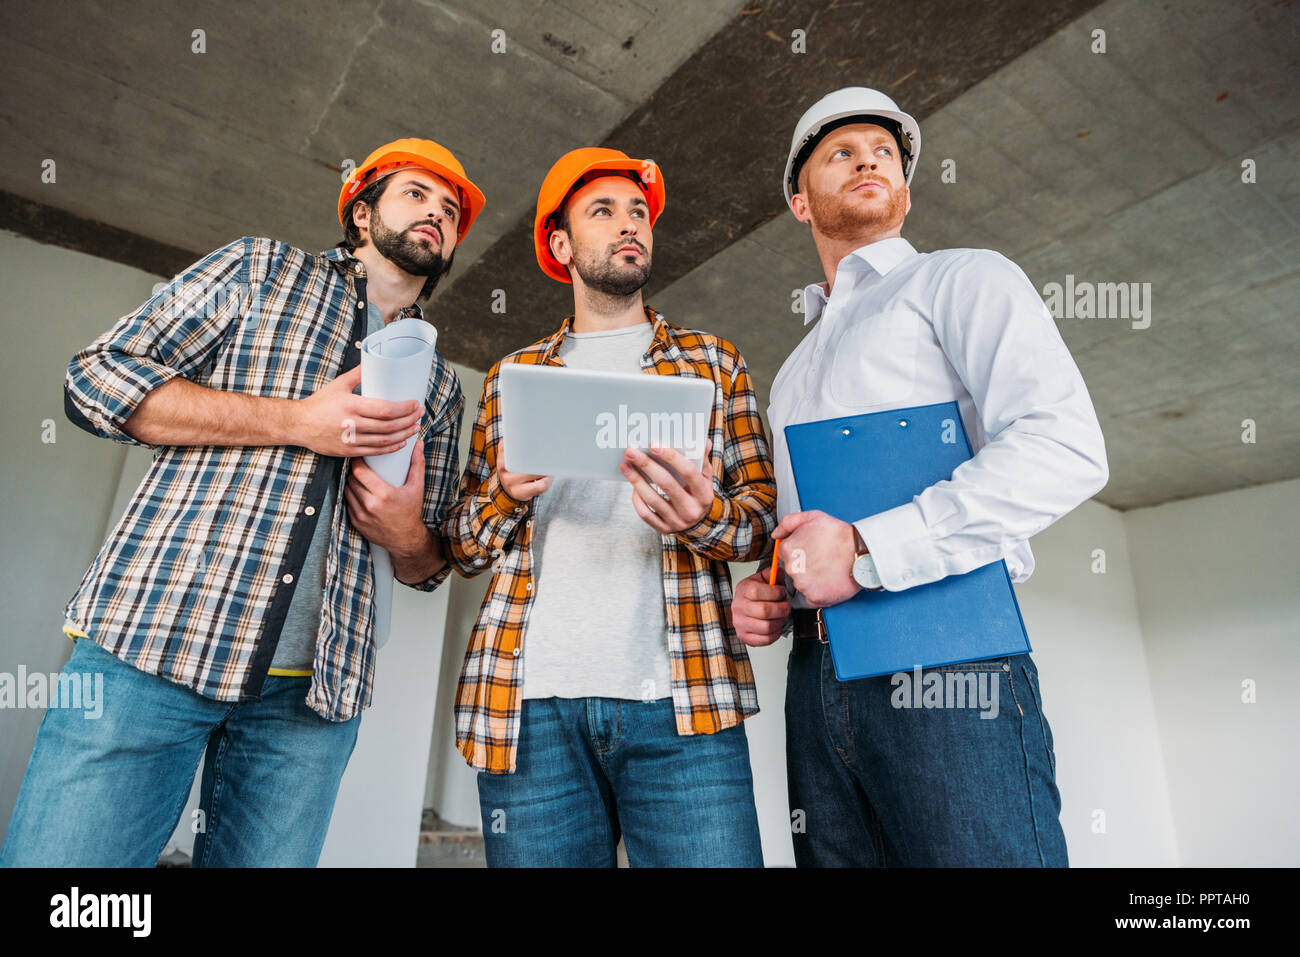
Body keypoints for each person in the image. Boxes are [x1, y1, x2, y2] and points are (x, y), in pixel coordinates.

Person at [0, 138, 481, 867]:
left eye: (451, 211)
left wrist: (408, 530)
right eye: (417, 193)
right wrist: (294, 421)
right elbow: (96, 379)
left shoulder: (441, 387)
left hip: (314, 698)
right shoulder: (261, 268)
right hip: (156, 642)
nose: (436, 215)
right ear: (360, 209)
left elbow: (427, 565)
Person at [731, 88, 1109, 867]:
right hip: (816, 670)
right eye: (842, 152)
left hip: (947, 653)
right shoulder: (794, 370)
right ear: (801, 201)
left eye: (884, 152)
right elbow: (808, 533)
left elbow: (1064, 443)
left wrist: (869, 544)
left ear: (904, 187)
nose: (869, 158)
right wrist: (774, 585)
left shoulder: (964, 278)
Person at [442, 148, 777, 867]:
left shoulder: (715, 363)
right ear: (561, 245)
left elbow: (760, 523)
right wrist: (505, 492)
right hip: (528, 709)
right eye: (604, 211)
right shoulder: (512, 378)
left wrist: (703, 516)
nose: (630, 226)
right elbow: (462, 547)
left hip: (684, 703)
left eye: (639, 213)